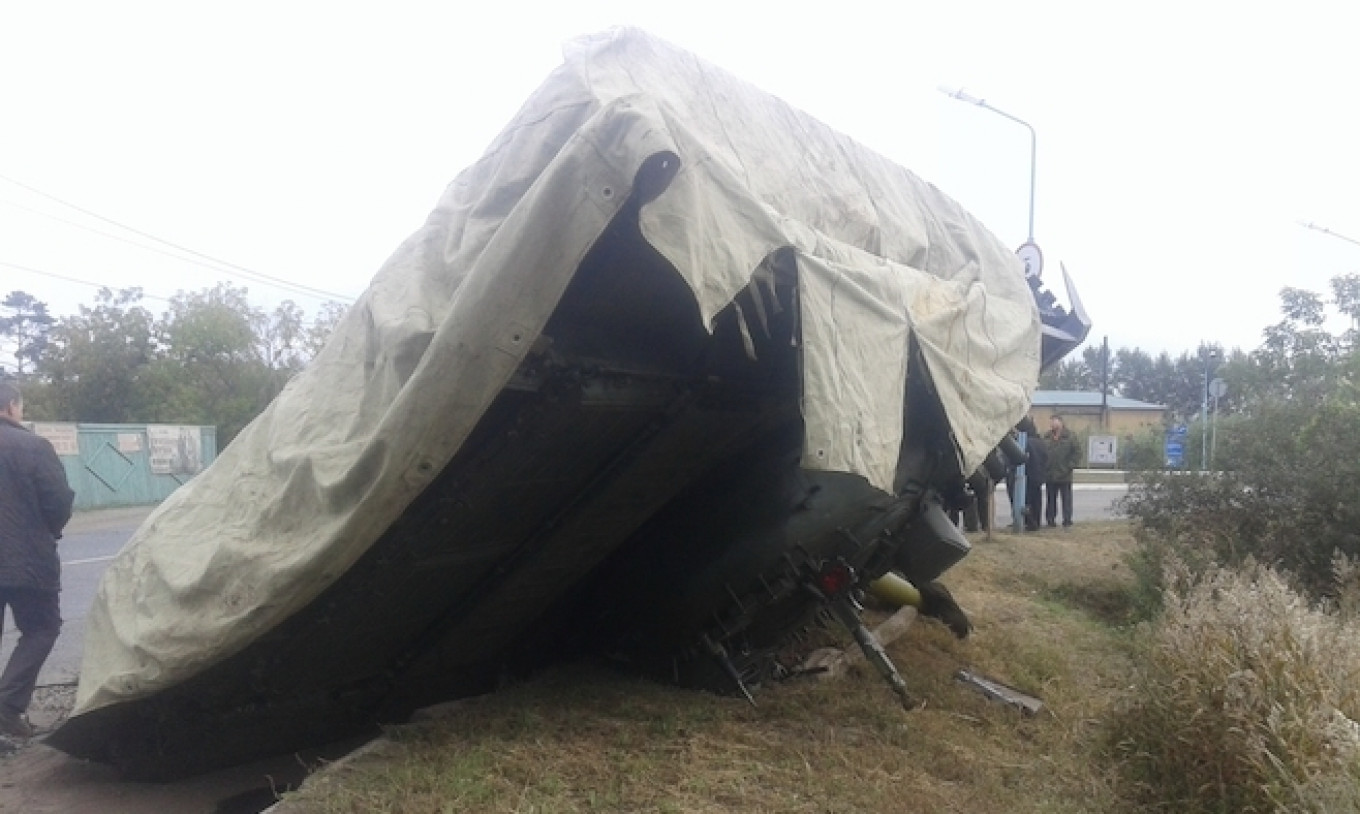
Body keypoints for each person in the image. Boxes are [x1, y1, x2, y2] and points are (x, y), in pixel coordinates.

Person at [0, 381, 75, 738]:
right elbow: (58, 502)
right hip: (27, 560)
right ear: (13, 406)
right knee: (42, 628)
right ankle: (7, 708)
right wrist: (48, 531)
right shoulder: (33, 447)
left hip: (20, 557)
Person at [1043, 414, 1081, 528]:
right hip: (1050, 474)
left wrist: (1070, 466)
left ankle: (1067, 520)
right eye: (1051, 422)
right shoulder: (1046, 436)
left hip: (1065, 474)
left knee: (1066, 499)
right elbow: (1043, 452)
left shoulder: (1070, 436)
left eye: (1054, 421)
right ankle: (1050, 520)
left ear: (1061, 422)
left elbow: (1077, 453)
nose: (1052, 424)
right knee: (1050, 499)